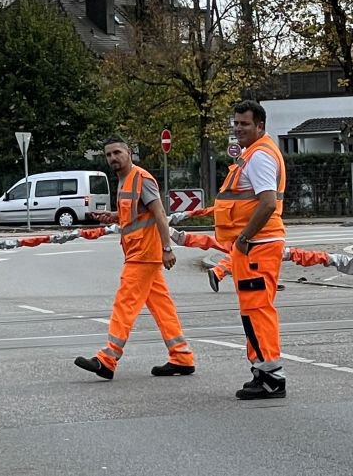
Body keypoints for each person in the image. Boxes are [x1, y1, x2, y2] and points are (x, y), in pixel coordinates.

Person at [74, 138, 196, 380]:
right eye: (108, 155)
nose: (113, 158)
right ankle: (181, 356)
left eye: (117, 152)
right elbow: (136, 214)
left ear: (129, 153)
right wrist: (113, 215)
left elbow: (160, 214)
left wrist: (167, 248)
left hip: (144, 253)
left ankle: (107, 359)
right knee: (162, 307)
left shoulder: (142, 178)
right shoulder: (124, 181)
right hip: (137, 252)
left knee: (125, 303)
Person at [214, 100, 288, 400]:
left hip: (258, 245)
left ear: (260, 126)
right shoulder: (257, 152)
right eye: (236, 123)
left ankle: (271, 375)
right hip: (256, 245)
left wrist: (244, 237)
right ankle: (262, 369)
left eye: (244, 124)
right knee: (253, 311)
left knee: (257, 311)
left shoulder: (259, 157)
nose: (238, 129)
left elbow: (267, 203)